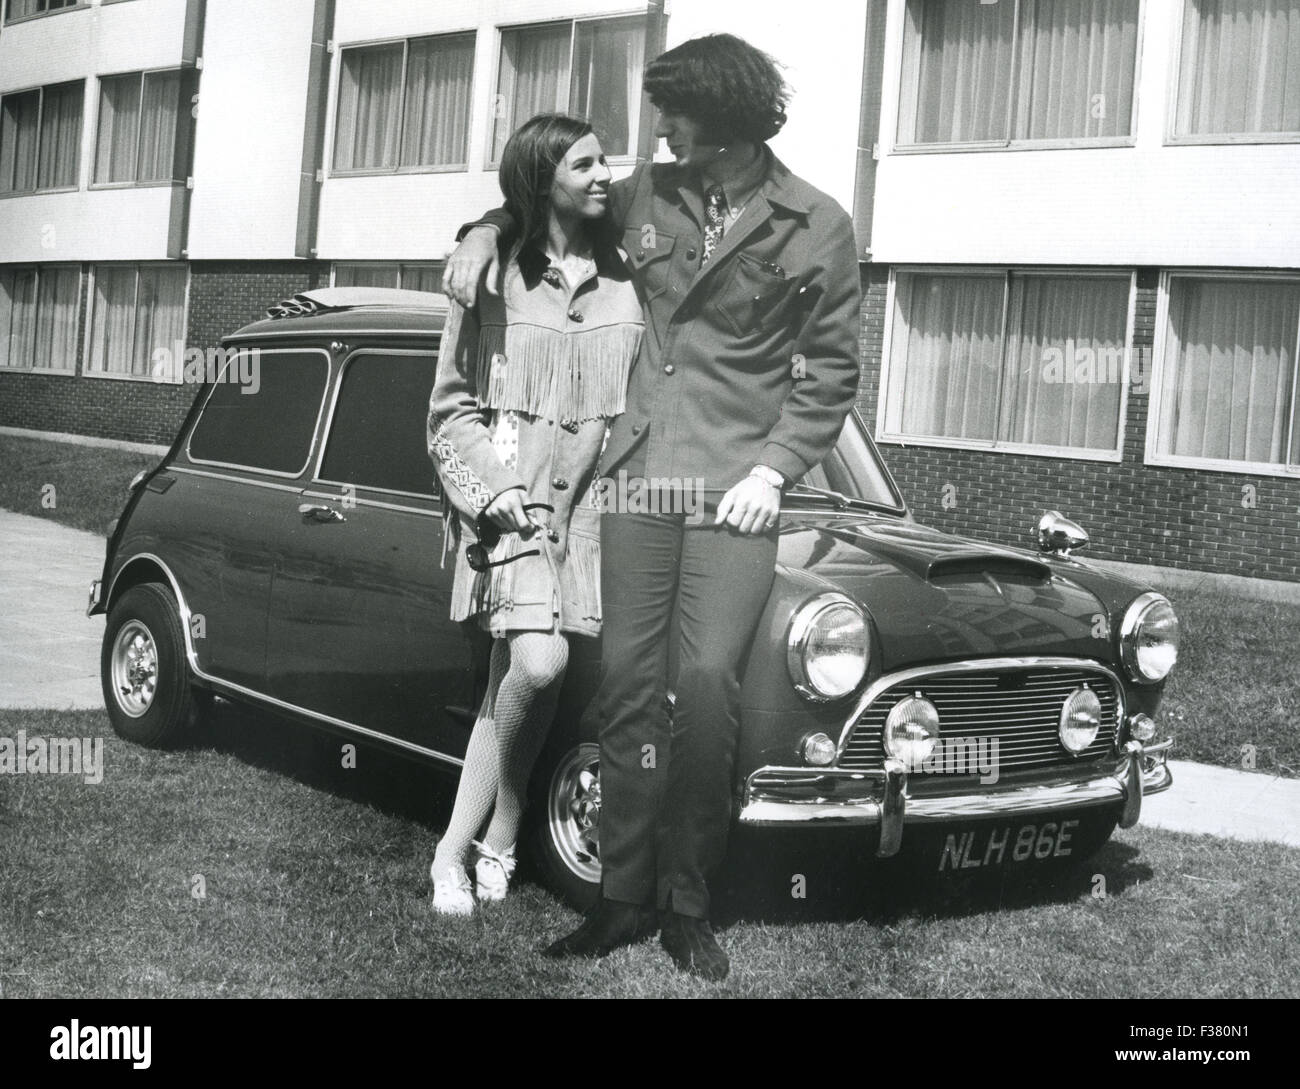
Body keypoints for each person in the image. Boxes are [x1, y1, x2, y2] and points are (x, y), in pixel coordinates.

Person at [443, 34, 860, 977]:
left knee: (708, 686)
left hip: (733, 495)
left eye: (673, 113)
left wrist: (777, 469)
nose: (658, 129)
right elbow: (542, 204)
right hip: (636, 480)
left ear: (719, 119)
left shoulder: (816, 224)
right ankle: (621, 897)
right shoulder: (644, 194)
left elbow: (832, 372)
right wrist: (478, 233)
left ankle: (689, 901)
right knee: (628, 686)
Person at [426, 114, 643, 914]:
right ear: (540, 176)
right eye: (583, 163)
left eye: (604, 161)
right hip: (508, 513)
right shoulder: (490, 278)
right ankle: (472, 840)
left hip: (586, 518)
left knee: (519, 682)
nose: (603, 174)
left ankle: (491, 835)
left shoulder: (628, 278)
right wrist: (494, 488)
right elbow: (448, 412)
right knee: (541, 665)